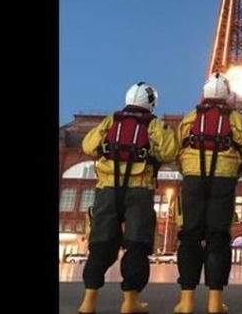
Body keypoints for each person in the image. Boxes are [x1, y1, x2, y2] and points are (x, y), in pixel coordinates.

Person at [77, 82, 179, 314]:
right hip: (139, 191)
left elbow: (88, 145)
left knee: (100, 244)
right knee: (137, 245)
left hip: (107, 190)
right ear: (151, 102)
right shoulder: (154, 124)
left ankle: (88, 300)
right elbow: (170, 152)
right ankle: (130, 302)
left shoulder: (111, 121)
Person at [173, 73, 242, 314]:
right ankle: (215, 302)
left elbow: (177, 149)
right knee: (218, 237)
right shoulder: (236, 118)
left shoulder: (190, 117)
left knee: (189, 236)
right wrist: (234, 172)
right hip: (223, 179)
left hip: (194, 179)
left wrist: (187, 170)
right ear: (227, 96)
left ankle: (186, 301)